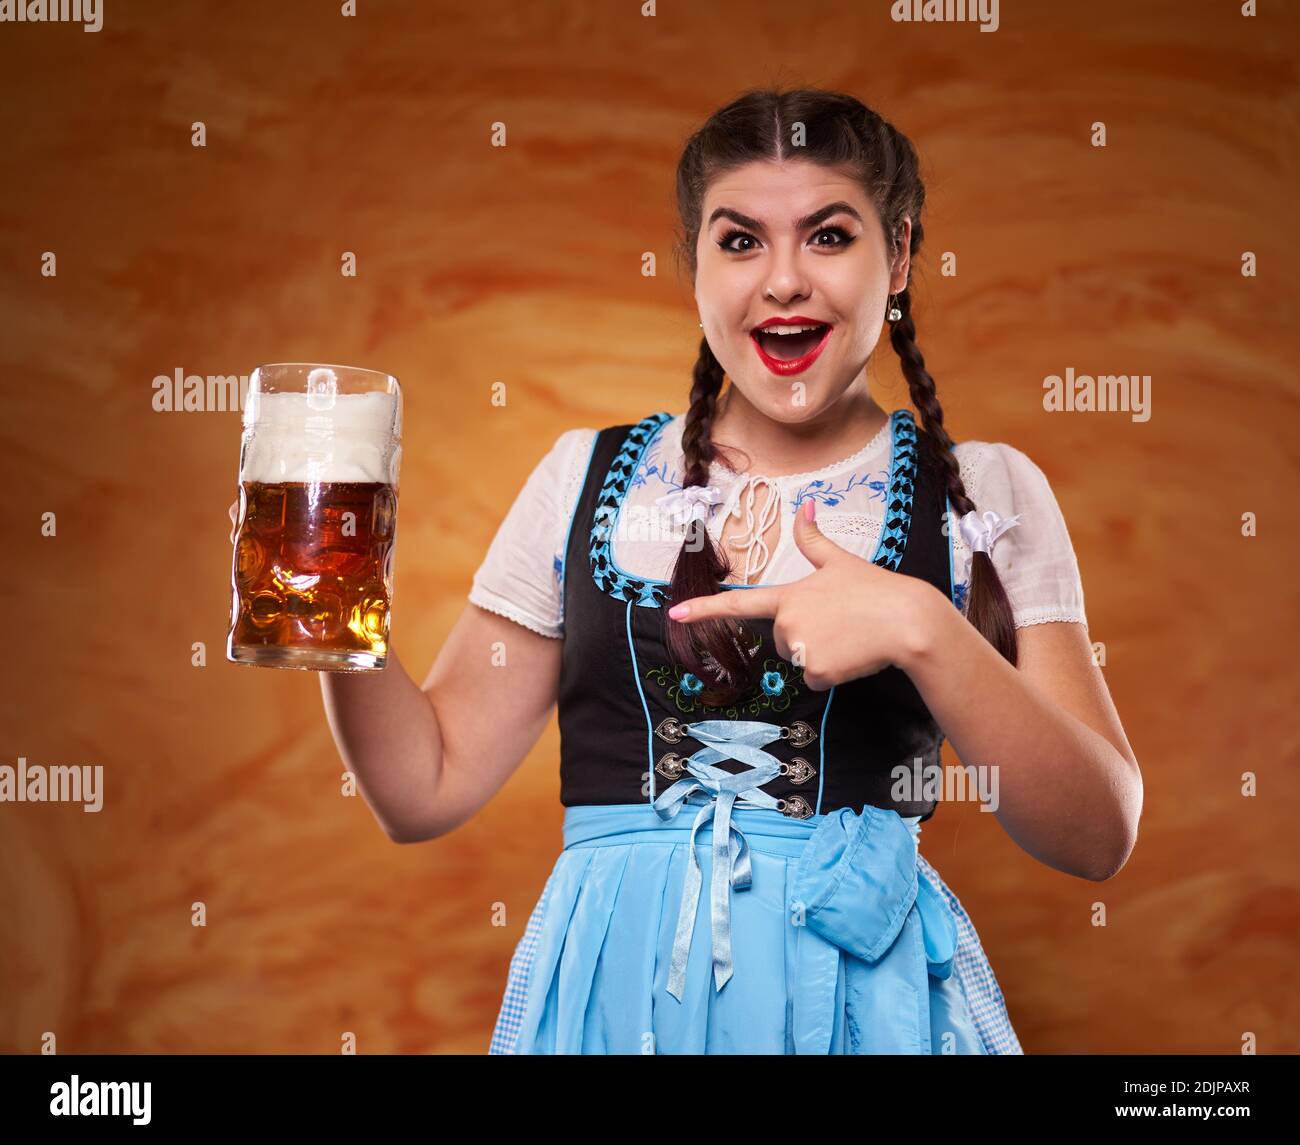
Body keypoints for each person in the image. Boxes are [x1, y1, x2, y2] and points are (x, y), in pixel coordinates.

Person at [318, 87, 1143, 1055]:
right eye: (740, 241)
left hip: (860, 1002)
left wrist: (925, 629)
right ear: (694, 266)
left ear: (902, 255)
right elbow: (423, 787)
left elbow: (1096, 835)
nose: (783, 280)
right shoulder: (581, 476)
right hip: (614, 998)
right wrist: (330, 607)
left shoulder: (984, 491)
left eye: (829, 237)